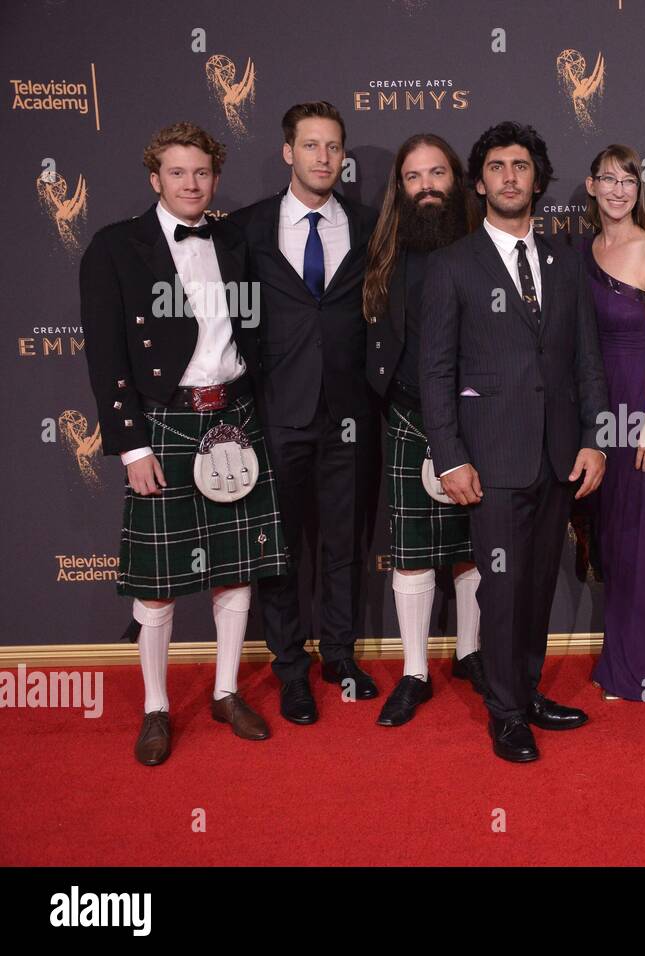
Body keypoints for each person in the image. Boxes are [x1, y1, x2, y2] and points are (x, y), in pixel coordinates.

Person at [80, 122, 289, 764]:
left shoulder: (233, 240)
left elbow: (249, 329)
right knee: (160, 582)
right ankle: (156, 707)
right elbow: (106, 354)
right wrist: (131, 446)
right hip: (165, 424)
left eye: (201, 172)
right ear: (155, 178)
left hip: (234, 416)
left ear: (215, 179)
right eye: (177, 173)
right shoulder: (116, 248)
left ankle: (226, 692)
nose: (191, 183)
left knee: (236, 568)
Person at [421, 121, 610, 763]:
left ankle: (526, 693)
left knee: (535, 588)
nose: (509, 175)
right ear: (479, 183)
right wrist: (450, 455)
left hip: (558, 456)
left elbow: (587, 359)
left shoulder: (564, 260)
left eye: (520, 165)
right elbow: (435, 372)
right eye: (496, 166)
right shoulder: (453, 266)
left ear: (537, 179)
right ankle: (504, 713)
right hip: (491, 458)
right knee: (501, 588)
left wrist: (595, 440)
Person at [229, 102, 380, 726]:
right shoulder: (245, 229)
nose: (324, 158)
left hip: (349, 415)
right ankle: (290, 668)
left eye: (334, 147)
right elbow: (230, 325)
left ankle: (339, 657)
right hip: (277, 413)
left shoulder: (372, 226)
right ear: (288, 152)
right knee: (282, 548)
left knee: (344, 543)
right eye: (312, 146)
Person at [363, 134, 484, 726]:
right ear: (401, 188)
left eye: (438, 172)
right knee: (411, 551)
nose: (428, 185)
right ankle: (414, 672)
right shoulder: (383, 253)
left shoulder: (484, 248)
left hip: (476, 415)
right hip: (409, 413)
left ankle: (470, 654)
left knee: (473, 546)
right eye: (415, 176)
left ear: (457, 181)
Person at [581, 145, 645, 702]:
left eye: (629, 180)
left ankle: (644, 670)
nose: (619, 189)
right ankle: (616, 660)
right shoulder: (585, 250)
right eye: (609, 179)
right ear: (590, 185)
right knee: (615, 539)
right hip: (601, 407)